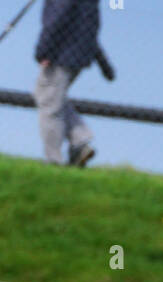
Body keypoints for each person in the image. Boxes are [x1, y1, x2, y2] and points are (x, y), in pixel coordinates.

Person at [34, 0, 115, 167]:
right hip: (79, 55)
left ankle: (53, 159)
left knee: (50, 105)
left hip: (60, 54)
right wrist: (104, 64)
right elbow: (90, 29)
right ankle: (80, 139)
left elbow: (57, 18)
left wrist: (43, 50)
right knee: (51, 97)